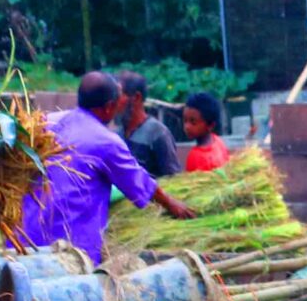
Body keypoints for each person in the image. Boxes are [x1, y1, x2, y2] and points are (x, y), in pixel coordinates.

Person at [15, 71, 195, 264]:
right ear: (109, 107)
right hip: (67, 251)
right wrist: (172, 205)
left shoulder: (45, 123)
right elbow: (139, 182)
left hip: (23, 241)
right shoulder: (106, 142)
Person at [113, 70, 182, 178]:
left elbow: (173, 178)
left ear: (136, 97)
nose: (113, 101)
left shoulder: (158, 133)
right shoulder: (117, 135)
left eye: (118, 96)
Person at [181, 91, 230, 172]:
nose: (187, 127)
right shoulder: (218, 141)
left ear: (210, 125)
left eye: (193, 122)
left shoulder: (194, 156)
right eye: (185, 120)